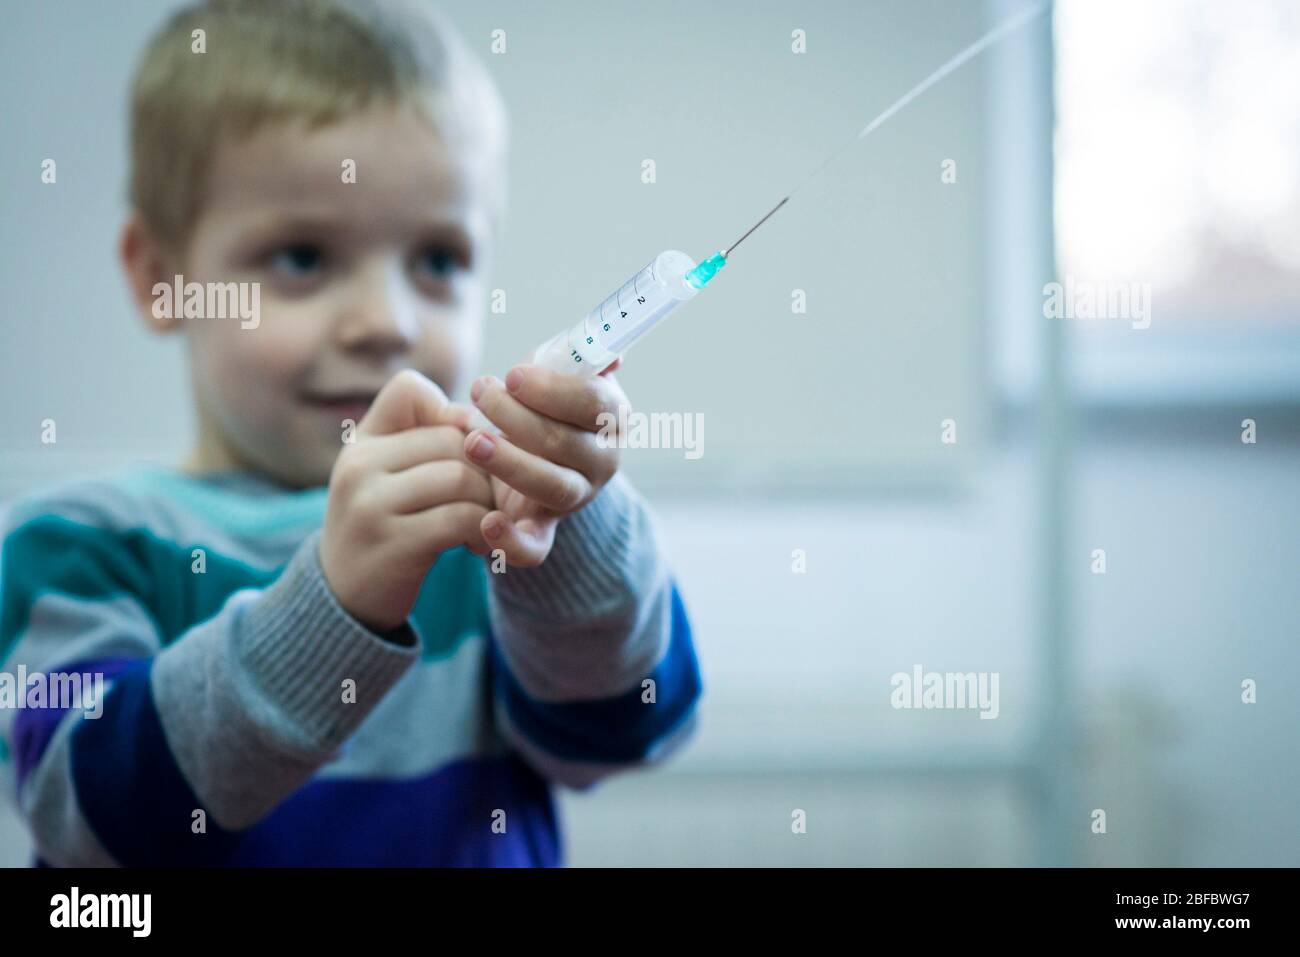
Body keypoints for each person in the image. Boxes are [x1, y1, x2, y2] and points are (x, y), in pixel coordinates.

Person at [0, 0, 701, 866]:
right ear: (160, 276)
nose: (386, 321)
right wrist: (335, 606)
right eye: (302, 256)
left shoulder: (482, 534)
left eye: (438, 260)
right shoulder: (74, 548)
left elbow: (623, 737)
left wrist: (570, 528)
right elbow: (92, 818)